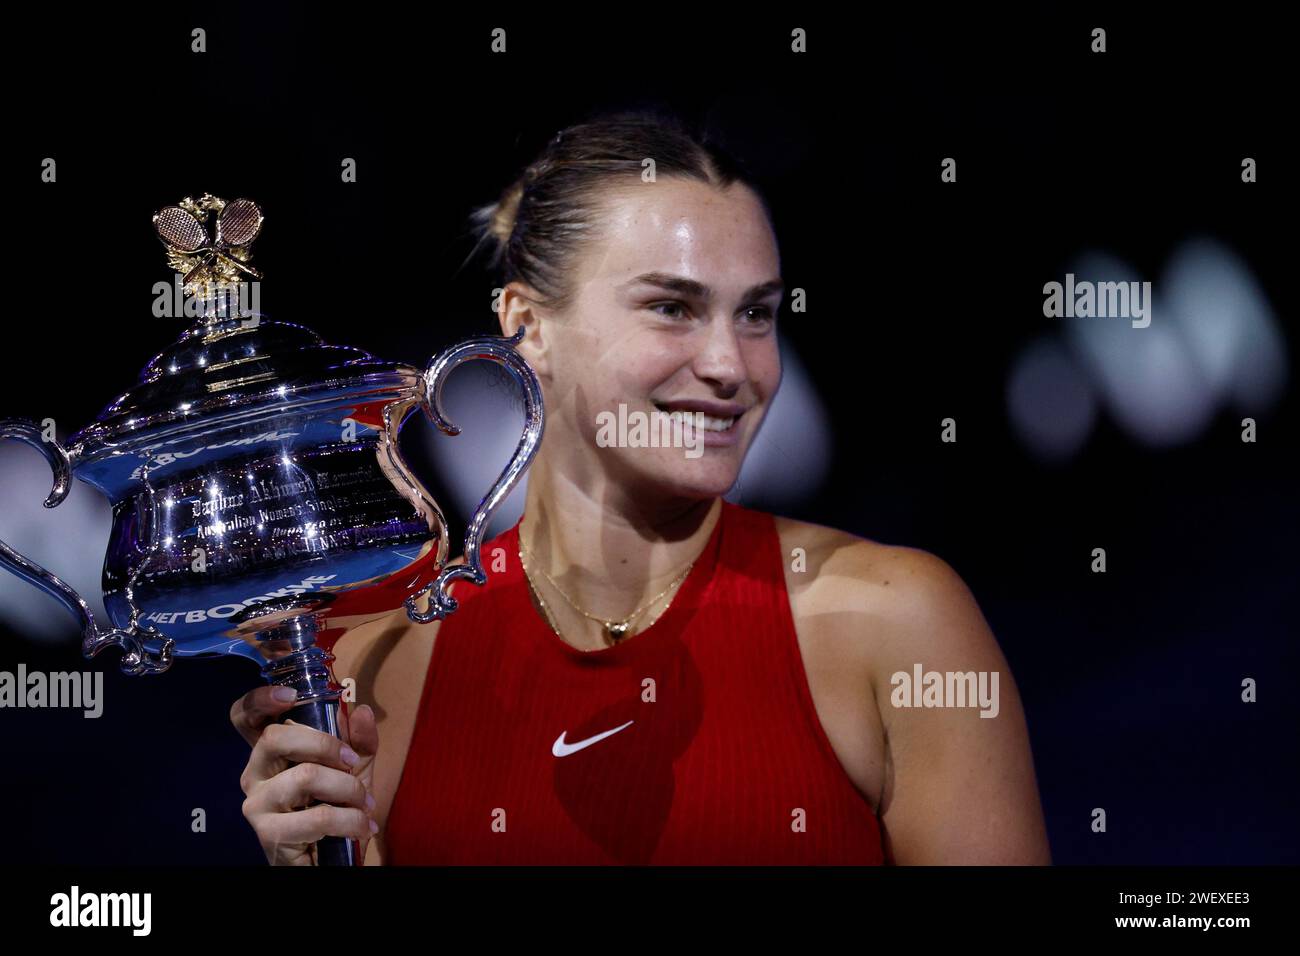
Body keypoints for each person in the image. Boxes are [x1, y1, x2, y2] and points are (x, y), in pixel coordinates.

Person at [231, 111, 1052, 865]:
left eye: (756, 314)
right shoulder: (376, 663)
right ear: (526, 326)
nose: (732, 366)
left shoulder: (900, 621)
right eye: (672, 307)